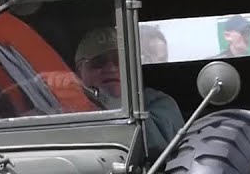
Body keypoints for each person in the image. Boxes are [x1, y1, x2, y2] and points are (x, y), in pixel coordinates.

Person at [73, 27, 184, 156]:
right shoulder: (66, 107)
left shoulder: (159, 104)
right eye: (98, 62)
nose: (110, 68)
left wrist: (108, 102)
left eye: (119, 61)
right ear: (79, 71)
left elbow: (156, 146)